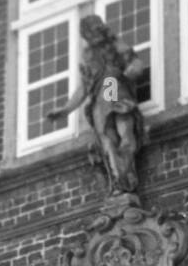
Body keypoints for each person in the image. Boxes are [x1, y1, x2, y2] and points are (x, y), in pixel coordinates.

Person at [47, 16, 145, 196]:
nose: (90, 36)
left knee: (123, 133)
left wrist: (131, 71)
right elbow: (85, 87)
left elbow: (135, 63)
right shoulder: (88, 55)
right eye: (87, 34)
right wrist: (66, 109)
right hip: (98, 98)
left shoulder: (114, 44)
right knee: (107, 142)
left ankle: (126, 172)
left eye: (92, 31)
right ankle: (119, 181)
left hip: (111, 84)